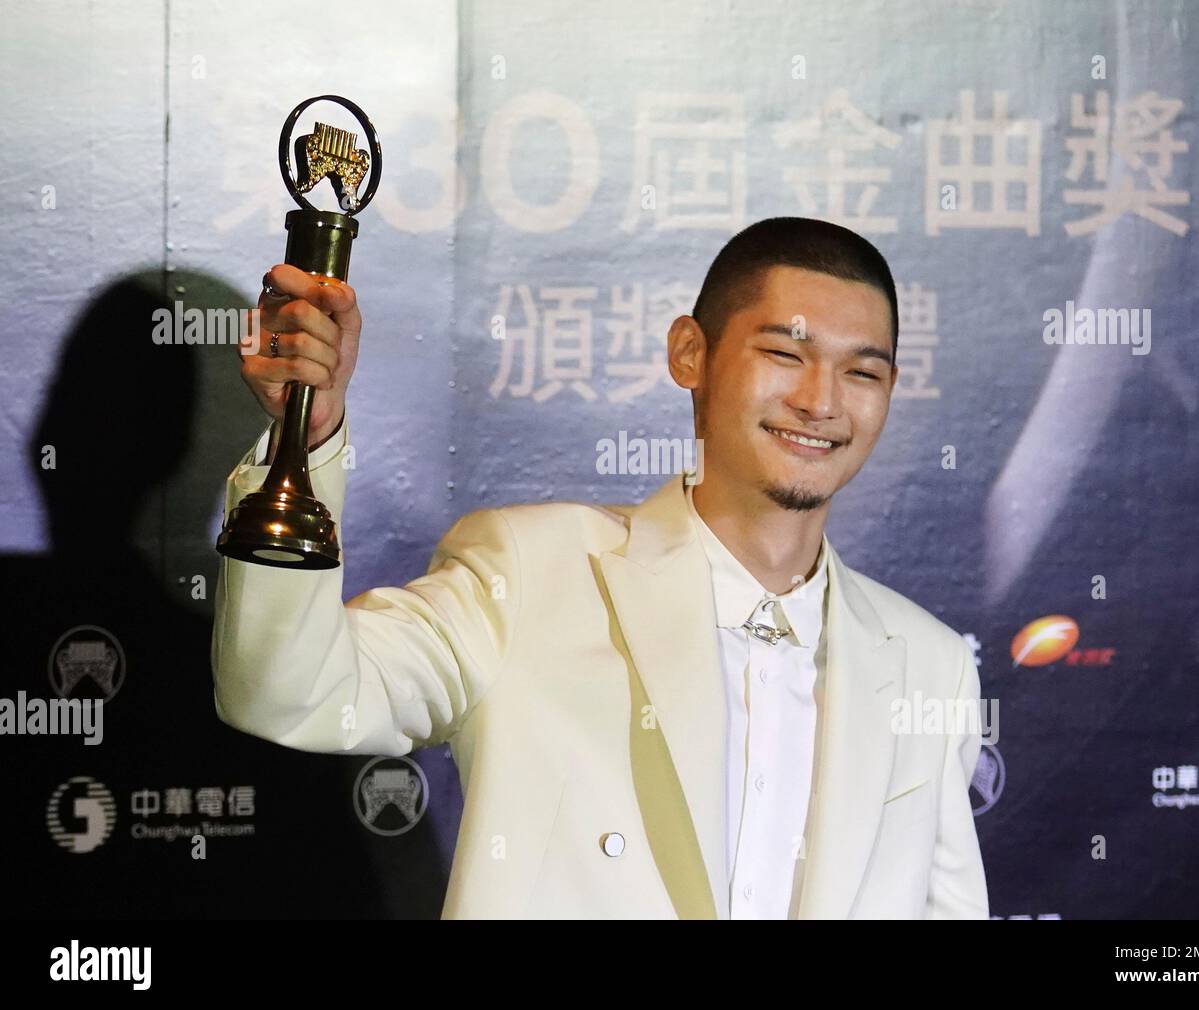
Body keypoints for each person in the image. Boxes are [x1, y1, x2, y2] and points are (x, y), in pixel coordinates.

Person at [212, 216, 989, 919]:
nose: (822, 401)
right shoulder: (530, 574)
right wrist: (301, 449)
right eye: (786, 353)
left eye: (863, 373)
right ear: (692, 354)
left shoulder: (928, 666)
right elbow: (291, 694)